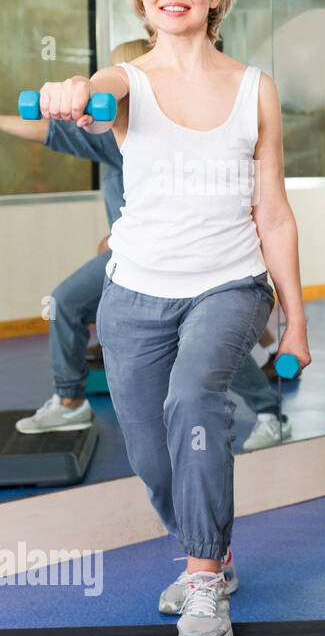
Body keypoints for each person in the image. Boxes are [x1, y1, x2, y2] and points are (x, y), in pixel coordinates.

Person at [35, 0, 310, 636]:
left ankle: (203, 581)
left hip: (230, 284)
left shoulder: (256, 89)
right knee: (152, 456)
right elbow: (98, 94)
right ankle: (209, 552)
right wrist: (74, 91)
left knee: (194, 399)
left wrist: (297, 321)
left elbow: (273, 210)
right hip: (134, 294)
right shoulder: (126, 80)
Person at [3, 42, 290, 453]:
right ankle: (72, 400)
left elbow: (47, 131)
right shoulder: (117, 123)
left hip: (171, 256)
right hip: (135, 256)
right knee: (188, 339)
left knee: (74, 303)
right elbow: (54, 127)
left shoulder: (144, 124)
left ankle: (267, 409)